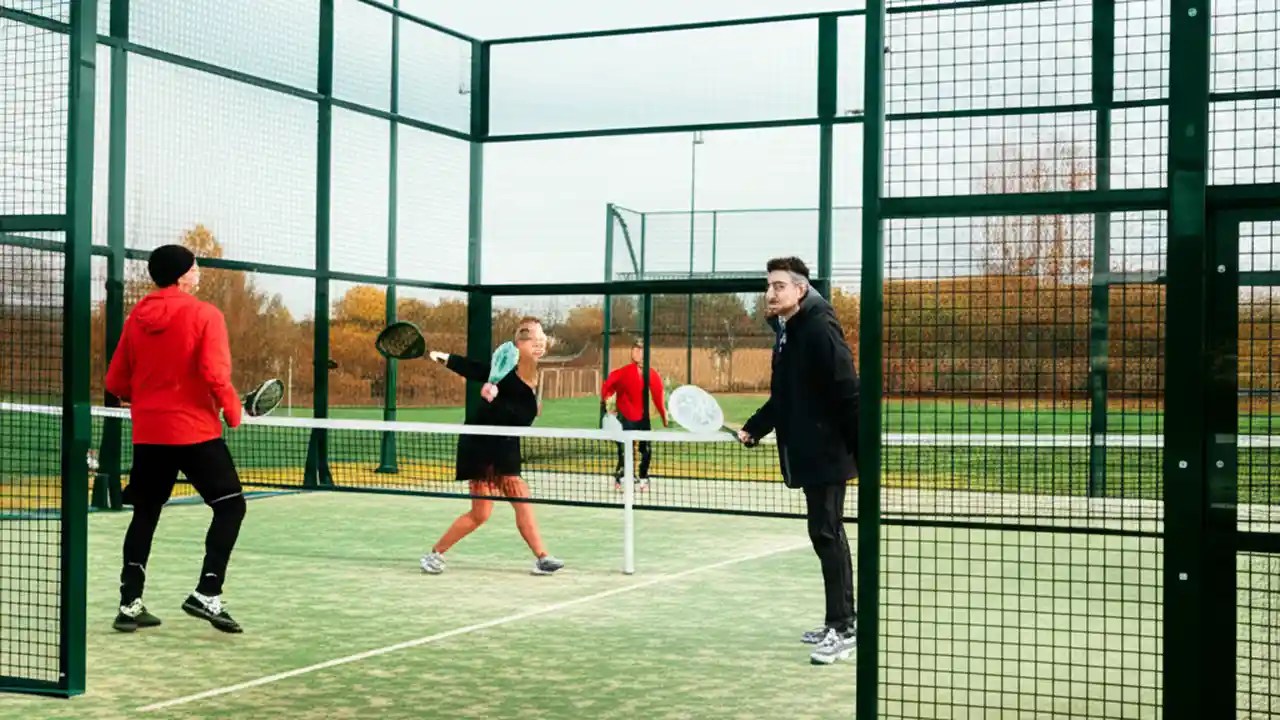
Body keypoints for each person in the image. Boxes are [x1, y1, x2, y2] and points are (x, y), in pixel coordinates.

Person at [104, 244, 246, 634]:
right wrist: (234, 413)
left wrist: (151, 399)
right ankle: (206, 593)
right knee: (230, 507)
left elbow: (115, 381)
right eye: (195, 266)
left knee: (145, 514)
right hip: (195, 431)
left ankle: (129, 604)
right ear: (183, 274)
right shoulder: (205, 315)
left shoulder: (137, 318)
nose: (199, 271)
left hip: (150, 434)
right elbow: (215, 373)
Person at [738, 256, 859, 665]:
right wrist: (755, 427)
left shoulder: (819, 328)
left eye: (779, 286)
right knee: (823, 534)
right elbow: (787, 396)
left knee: (827, 533)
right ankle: (837, 622)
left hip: (828, 452)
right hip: (811, 452)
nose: (771, 292)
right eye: (769, 285)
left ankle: (844, 628)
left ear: (800, 290)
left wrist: (862, 455)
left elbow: (848, 390)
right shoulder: (789, 331)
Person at [419, 317, 565, 576]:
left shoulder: (529, 376)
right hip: (479, 448)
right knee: (481, 514)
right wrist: (445, 358)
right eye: (535, 338)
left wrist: (511, 405)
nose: (540, 343)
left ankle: (542, 557)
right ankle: (435, 554)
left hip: (506, 448)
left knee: (522, 501)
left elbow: (520, 419)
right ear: (520, 343)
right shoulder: (503, 370)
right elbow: (475, 368)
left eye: (542, 338)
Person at [601, 339, 668, 490]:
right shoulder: (623, 372)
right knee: (625, 449)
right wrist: (607, 404)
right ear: (632, 353)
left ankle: (643, 477)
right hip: (625, 417)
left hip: (643, 419)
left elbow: (658, 395)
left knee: (646, 450)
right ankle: (622, 476)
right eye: (635, 349)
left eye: (641, 350)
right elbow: (608, 387)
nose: (638, 352)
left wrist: (664, 416)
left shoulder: (651, 374)